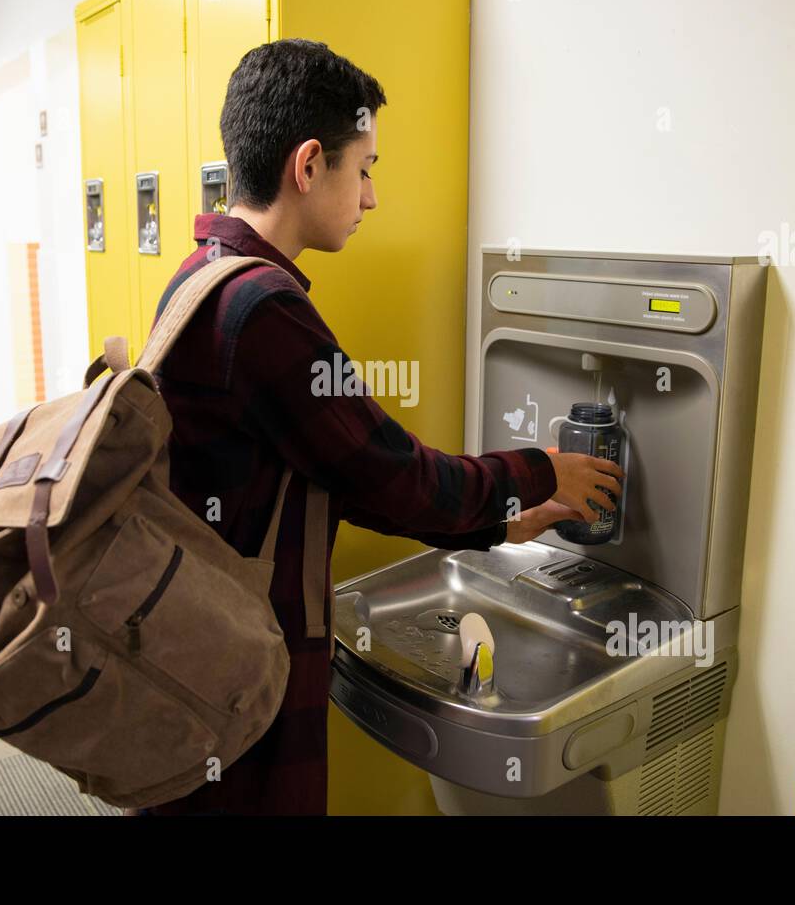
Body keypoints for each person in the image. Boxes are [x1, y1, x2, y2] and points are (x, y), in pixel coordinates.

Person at [132, 39, 623, 815]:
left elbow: (335, 470)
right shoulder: (265, 312)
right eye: (363, 169)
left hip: (191, 647)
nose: (370, 198)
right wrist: (541, 470)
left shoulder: (200, 278)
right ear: (307, 166)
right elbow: (395, 477)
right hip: (237, 667)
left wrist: (499, 518)